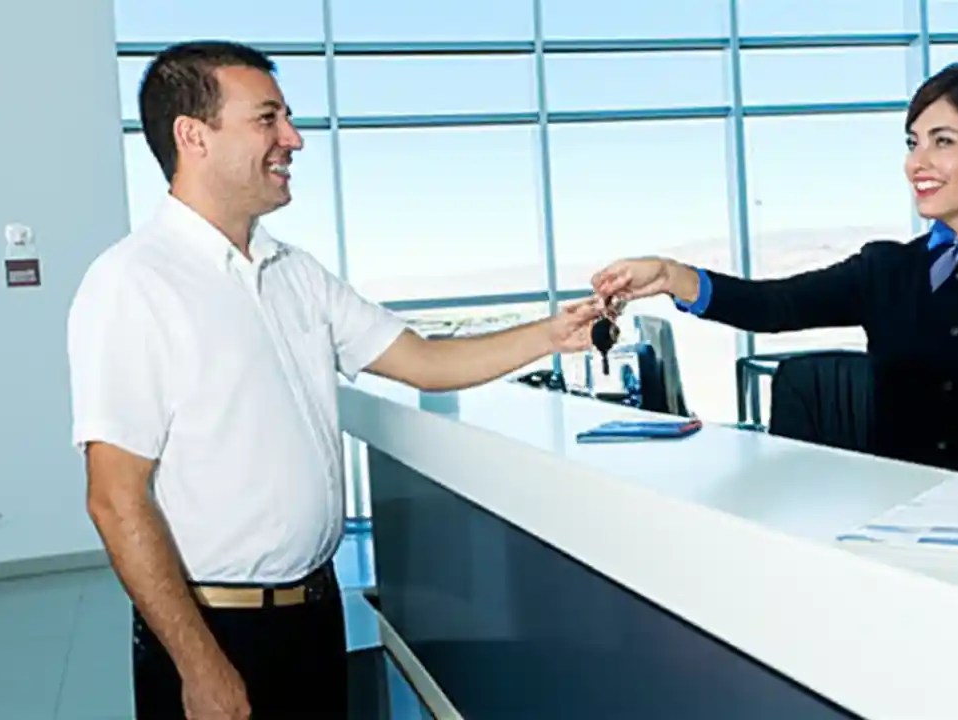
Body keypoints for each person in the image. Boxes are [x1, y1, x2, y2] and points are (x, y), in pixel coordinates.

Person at [66, 40, 602, 719]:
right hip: (216, 632)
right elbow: (114, 499)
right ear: (193, 136)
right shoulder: (131, 283)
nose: (293, 139)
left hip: (312, 620)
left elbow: (425, 362)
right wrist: (199, 664)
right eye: (268, 119)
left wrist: (556, 334)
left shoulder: (294, 271)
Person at [591, 62, 958, 481]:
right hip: (893, 521)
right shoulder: (883, 270)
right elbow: (774, 306)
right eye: (913, 143)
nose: (917, 162)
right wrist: (670, 275)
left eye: (943, 141)